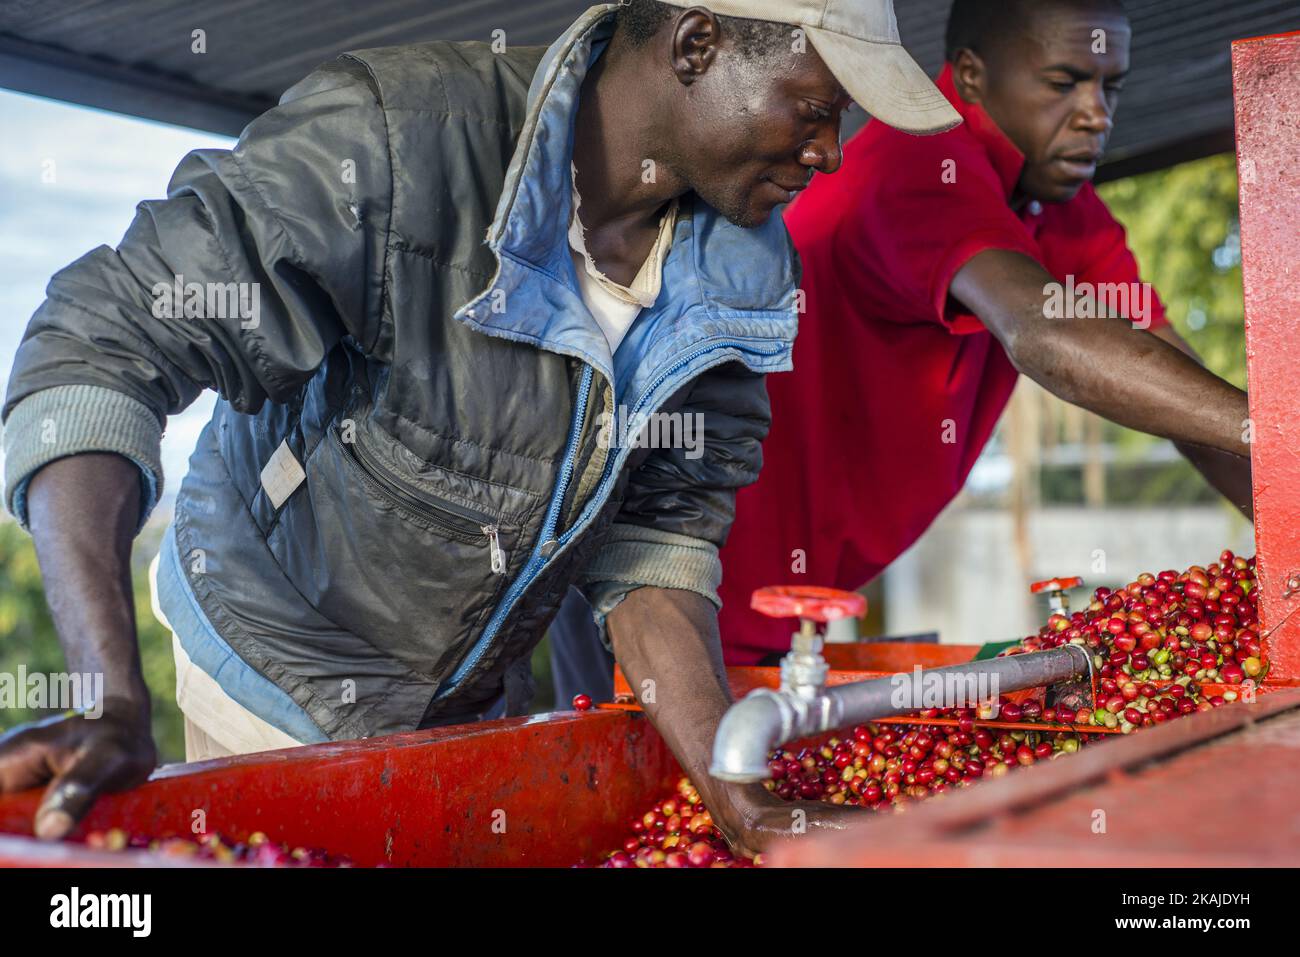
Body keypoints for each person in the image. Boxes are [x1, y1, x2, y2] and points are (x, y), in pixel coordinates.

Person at [0, 0, 958, 857]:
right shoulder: (393, 142)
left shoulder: (742, 267)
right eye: (816, 108)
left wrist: (732, 792)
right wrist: (107, 698)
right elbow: (101, 348)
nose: (832, 153)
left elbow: (658, 541)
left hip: (460, 697)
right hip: (277, 663)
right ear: (698, 44)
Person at [547, 0, 1254, 680]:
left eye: (1110, 86)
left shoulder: (1062, 209)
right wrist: (1276, 434)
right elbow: (1044, 330)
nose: (1096, 113)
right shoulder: (921, 166)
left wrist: (1278, 487)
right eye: (1064, 82)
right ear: (972, 75)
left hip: (783, 601)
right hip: (663, 586)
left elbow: (1184, 394)